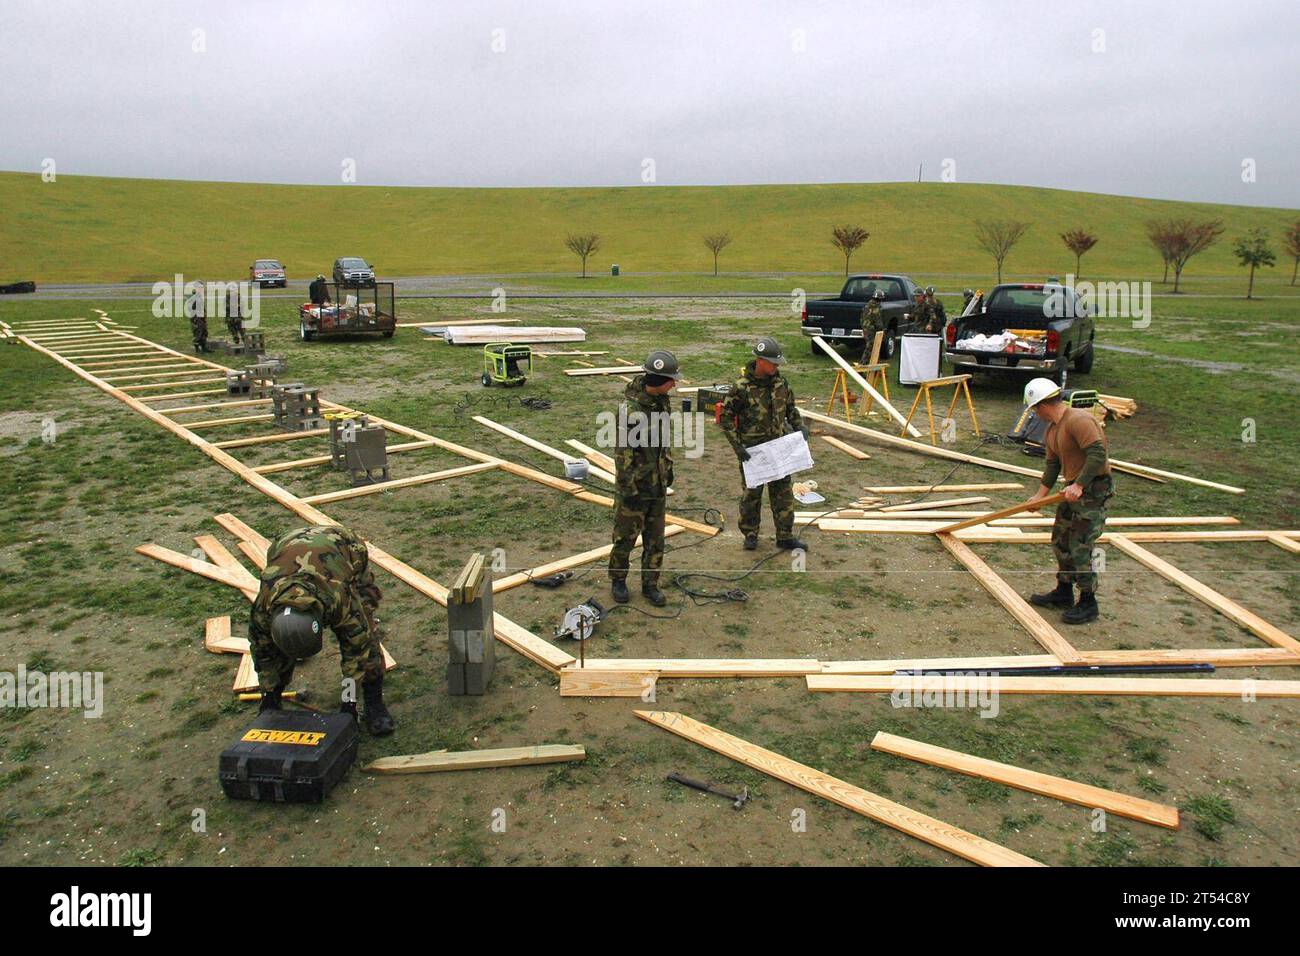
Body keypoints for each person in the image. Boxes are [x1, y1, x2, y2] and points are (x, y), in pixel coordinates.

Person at [248, 523, 395, 734]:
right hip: (285, 543)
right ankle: (273, 698)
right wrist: (269, 696)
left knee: (366, 632)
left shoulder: (338, 601)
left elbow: (356, 651)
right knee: (270, 659)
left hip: (344, 545)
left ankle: (374, 702)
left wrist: (349, 704)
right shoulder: (263, 611)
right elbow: (264, 655)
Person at [1022, 378, 1113, 624]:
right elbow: (1052, 465)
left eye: (1034, 409)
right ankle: (1063, 592)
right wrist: (1040, 496)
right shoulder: (1052, 430)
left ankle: (1088, 602)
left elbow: (1097, 454)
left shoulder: (1079, 420)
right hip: (1073, 489)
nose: (1035, 414)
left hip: (1093, 489)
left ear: (1042, 405)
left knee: (1080, 544)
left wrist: (1079, 485)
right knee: (1061, 539)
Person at [721, 337, 809, 552]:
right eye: (773, 363)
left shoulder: (781, 384)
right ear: (760, 361)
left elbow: (790, 409)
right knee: (751, 496)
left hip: (779, 449)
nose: (776, 367)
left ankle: (785, 536)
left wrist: (800, 426)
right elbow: (726, 416)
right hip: (753, 452)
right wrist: (738, 446)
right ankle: (750, 534)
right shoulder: (741, 387)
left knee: (783, 494)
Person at [609, 350, 678, 607]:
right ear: (659, 381)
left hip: (656, 486)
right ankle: (618, 580)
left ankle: (650, 584)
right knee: (625, 538)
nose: (674, 385)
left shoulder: (662, 402)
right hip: (634, 489)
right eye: (671, 380)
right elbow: (622, 455)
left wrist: (668, 466)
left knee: (655, 540)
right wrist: (629, 489)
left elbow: (664, 440)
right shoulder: (629, 411)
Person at [187, 281, 208, 353]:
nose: (201, 289)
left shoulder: (199, 296)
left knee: (204, 331)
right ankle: (197, 348)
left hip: (201, 317)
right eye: (200, 287)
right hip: (197, 318)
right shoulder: (193, 297)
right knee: (198, 332)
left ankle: (204, 347)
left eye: (202, 287)